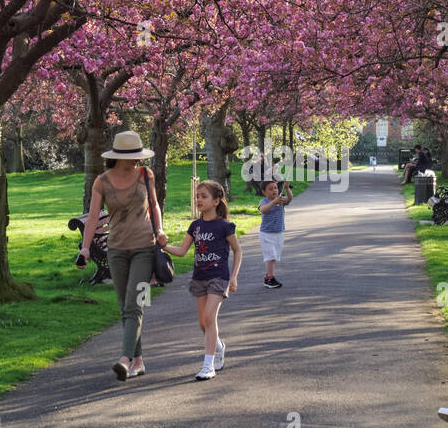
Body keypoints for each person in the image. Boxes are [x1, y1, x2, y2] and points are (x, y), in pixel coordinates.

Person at [77, 130, 167, 381]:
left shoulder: (145, 174)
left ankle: (124, 360)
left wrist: (159, 229)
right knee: (125, 306)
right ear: (118, 156)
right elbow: (93, 217)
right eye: (133, 155)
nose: (138, 159)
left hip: (145, 248)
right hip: (116, 250)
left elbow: (154, 204)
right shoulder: (102, 181)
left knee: (135, 304)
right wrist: (85, 248)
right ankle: (138, 361)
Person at [165, 180, 241, 380]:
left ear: (216, 201)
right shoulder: (195, 226)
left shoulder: (225, 226)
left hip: (219, 277)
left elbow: (237, 250)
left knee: (209, 318)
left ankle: (208, 365)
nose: (198, 200)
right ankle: (218, 345)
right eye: (197, 196)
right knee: (202, 322)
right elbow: (181, 251)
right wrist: (163, 245)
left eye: (203, 196)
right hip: (199, 278)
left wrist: (233, 277)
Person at [258, 179, 292, 288]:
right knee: (271, 256)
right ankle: (270, 279)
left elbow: (290, 199)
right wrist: (274, 202)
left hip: (278, 234)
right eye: (270, 189)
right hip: (266, 234)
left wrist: (287, 188)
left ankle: (268, 276)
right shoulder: (263, 201)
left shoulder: (281, 200)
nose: (274, 191)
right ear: (264, 192)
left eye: (276, 188)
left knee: (275, 257)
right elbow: (263, 210)